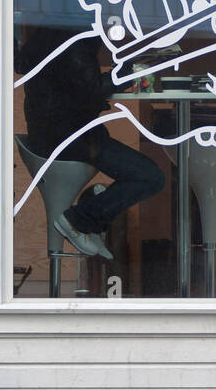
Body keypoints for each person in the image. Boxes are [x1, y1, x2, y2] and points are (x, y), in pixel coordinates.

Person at [15, 25, 165, 259]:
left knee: (139, 175)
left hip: (52, 135)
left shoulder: (47, 37)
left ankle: (90, 219)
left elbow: (79, 88)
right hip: (71, 138)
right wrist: (132, 69)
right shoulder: (74, 41)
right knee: (151, 176)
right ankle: (78, 220)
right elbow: (94, 89)